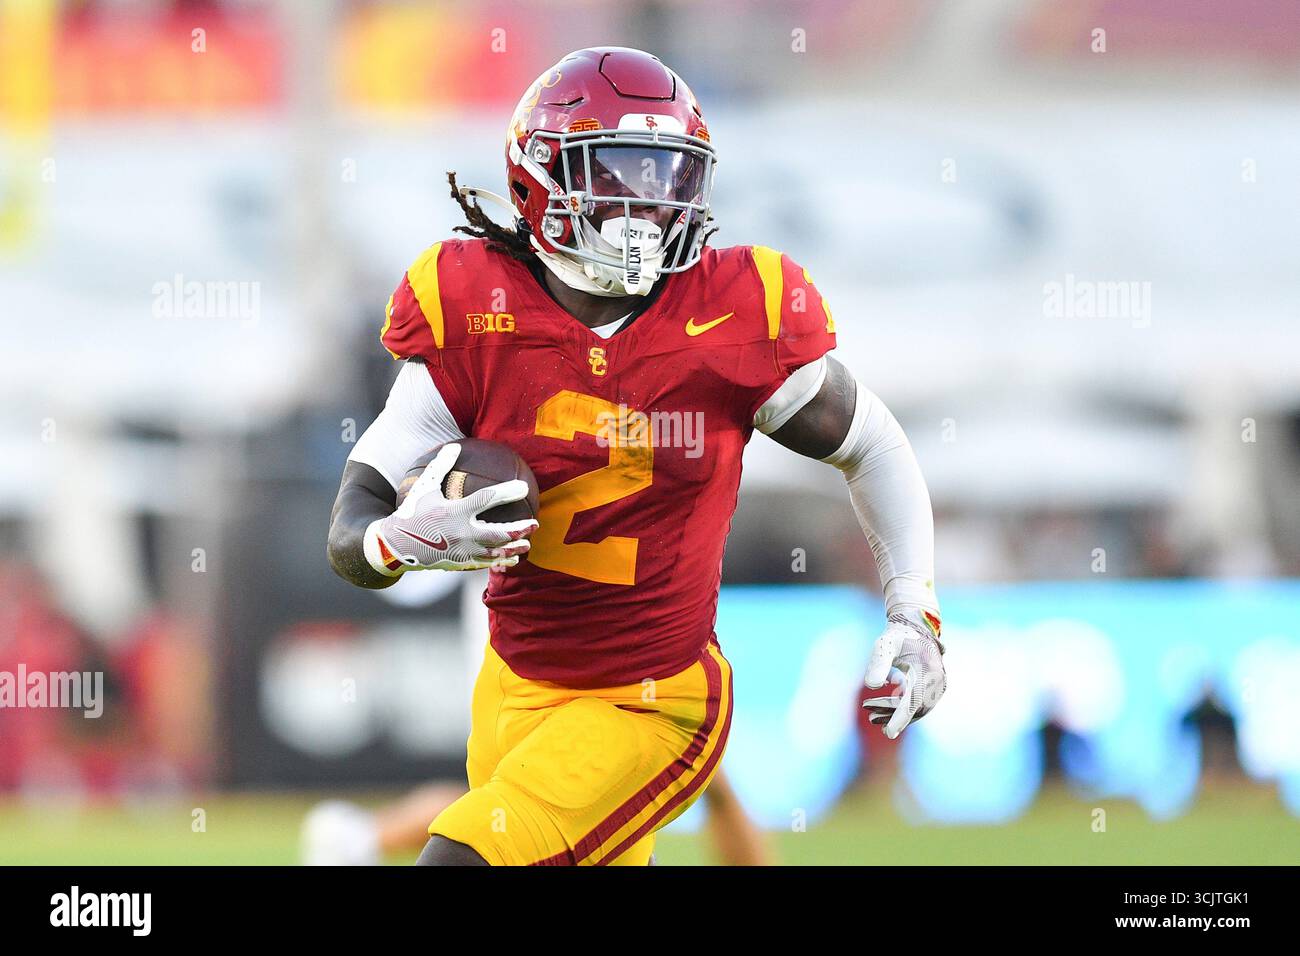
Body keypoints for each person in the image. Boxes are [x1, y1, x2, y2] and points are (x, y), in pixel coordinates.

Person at [327, 47, 945, 866]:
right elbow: (351, 526)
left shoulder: (735, 311)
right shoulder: (472, 307)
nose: (647, 204)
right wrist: (398, 542)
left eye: (666, 175)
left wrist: (914, 611)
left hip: (654, 704)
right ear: (539, 178)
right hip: (514, 687)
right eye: (616, 172)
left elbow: (873, 445)